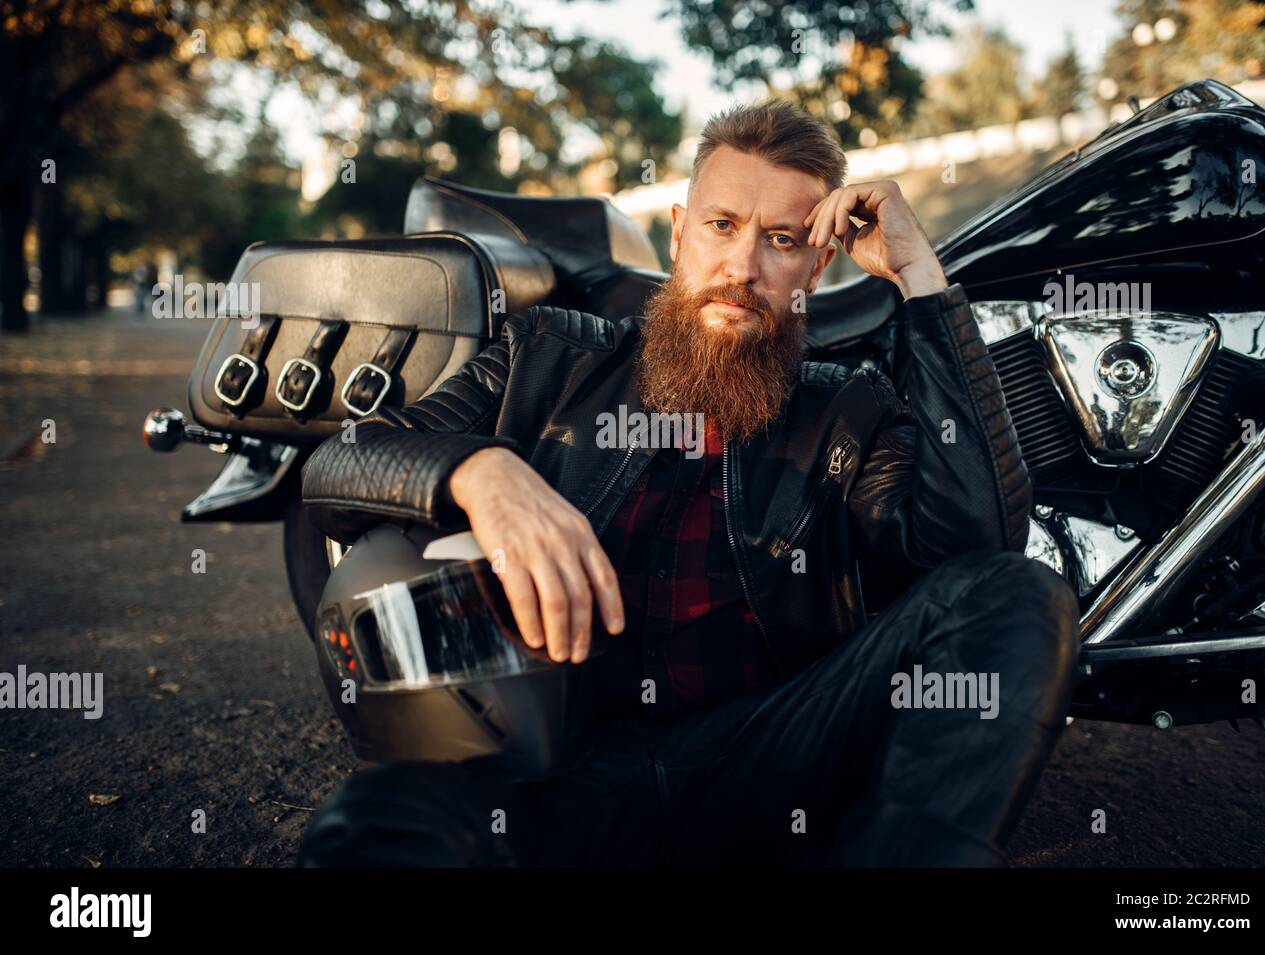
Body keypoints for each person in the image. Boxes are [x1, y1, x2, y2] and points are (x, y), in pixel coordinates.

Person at [296, 98, 1080, 867]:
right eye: (722, 226)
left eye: (781, 239)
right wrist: (481, 468)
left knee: (1020, 592)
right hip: (555, 773)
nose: (742, 268)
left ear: (818, 264)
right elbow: (340, 462)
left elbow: (974, 547)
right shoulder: (547, 357)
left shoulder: (848, 410)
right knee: (375, 823)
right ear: (678, 235)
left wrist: (921, 279)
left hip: (768, 764)